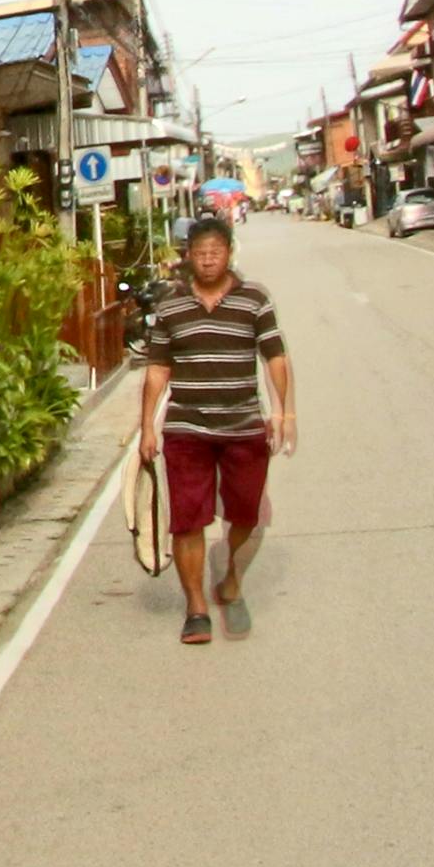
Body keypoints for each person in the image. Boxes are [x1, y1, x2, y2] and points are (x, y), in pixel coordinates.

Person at [138, 212, 295, 644]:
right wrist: (147, 428)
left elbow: (276, 358)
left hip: (243, 425)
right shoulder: (170, 306)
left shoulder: (254, 300)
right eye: (200, 253)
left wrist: (285, 412)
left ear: (228, 254)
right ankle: (196, 608)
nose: (208, 260)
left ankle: (228, 576)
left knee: (246, 512)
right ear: (188, 257)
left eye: (216, 252)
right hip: (187, 427)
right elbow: (156, 369)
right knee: (188, 521)